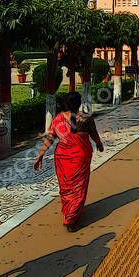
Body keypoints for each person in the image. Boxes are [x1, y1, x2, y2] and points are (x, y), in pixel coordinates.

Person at [33, 92, 104, 231]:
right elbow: (94, 134)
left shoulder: (58, 119)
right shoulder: (86, 117)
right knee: (79, 187)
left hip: (62, 158)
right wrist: (99, 144)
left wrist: (40, 155)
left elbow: (49, 138)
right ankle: (71, 219)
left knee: (66, 188)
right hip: (81, 157)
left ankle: (68, 212)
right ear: (79, 103)